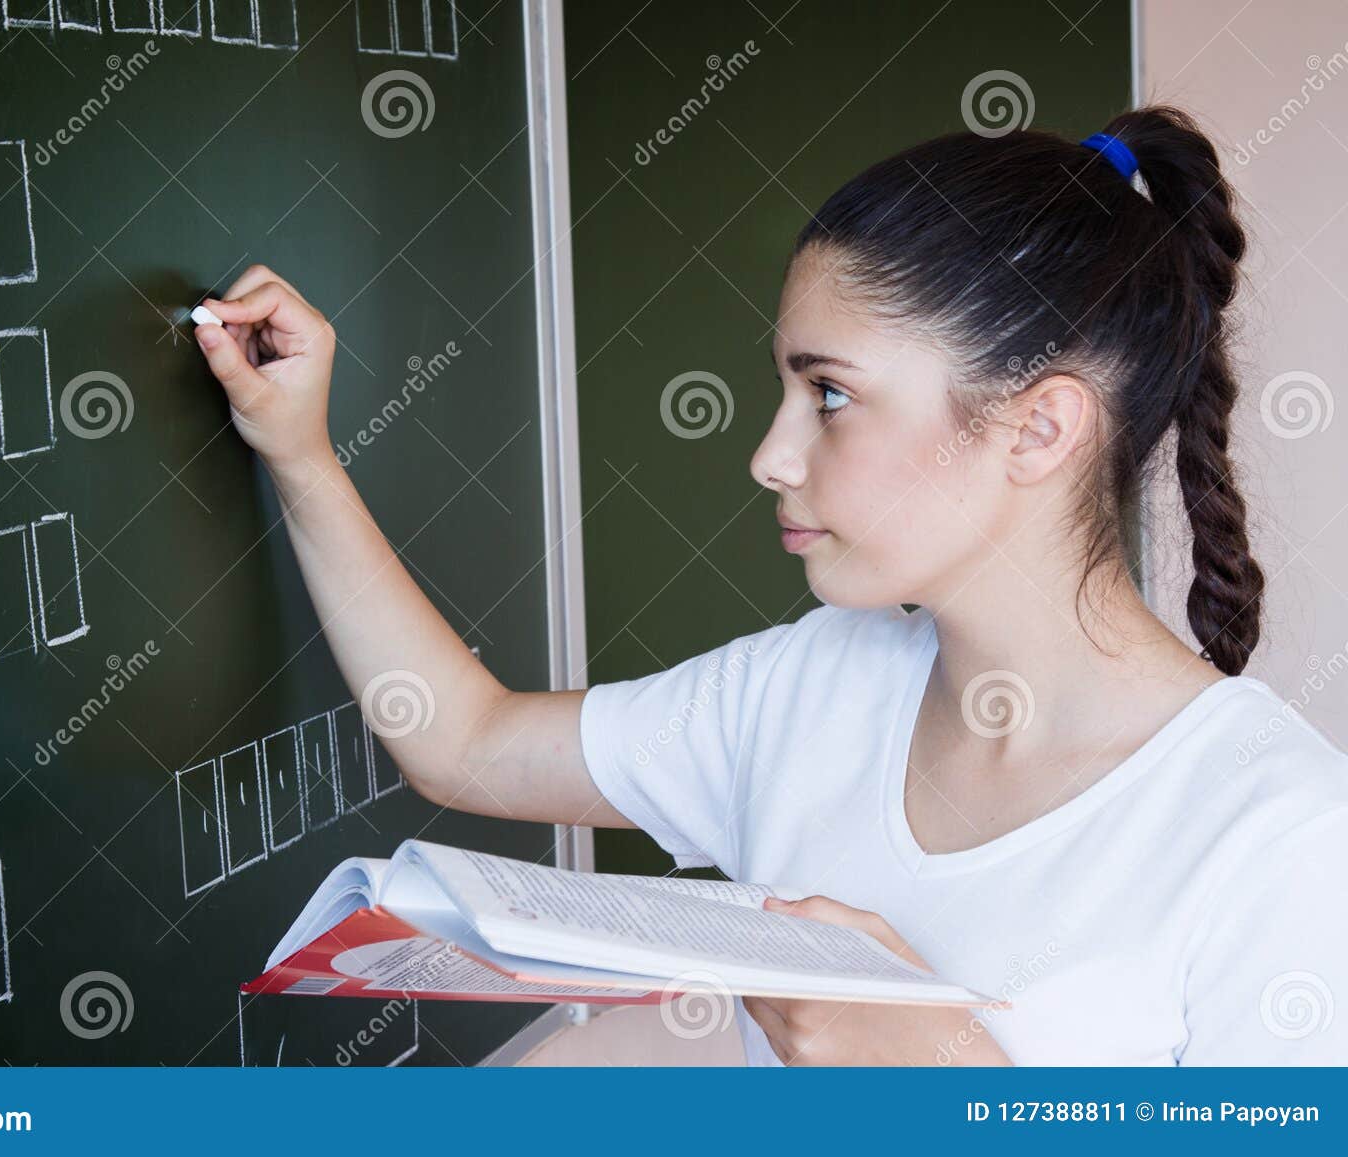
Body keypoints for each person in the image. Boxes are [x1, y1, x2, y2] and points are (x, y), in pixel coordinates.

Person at [192, 105, 1348, 1066]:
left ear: (1038, 426)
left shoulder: (1279, 835)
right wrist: (299, 450)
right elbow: (464, 740)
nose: (769, 455)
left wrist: (946, 1070)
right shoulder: (808, 687)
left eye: (829, 393)